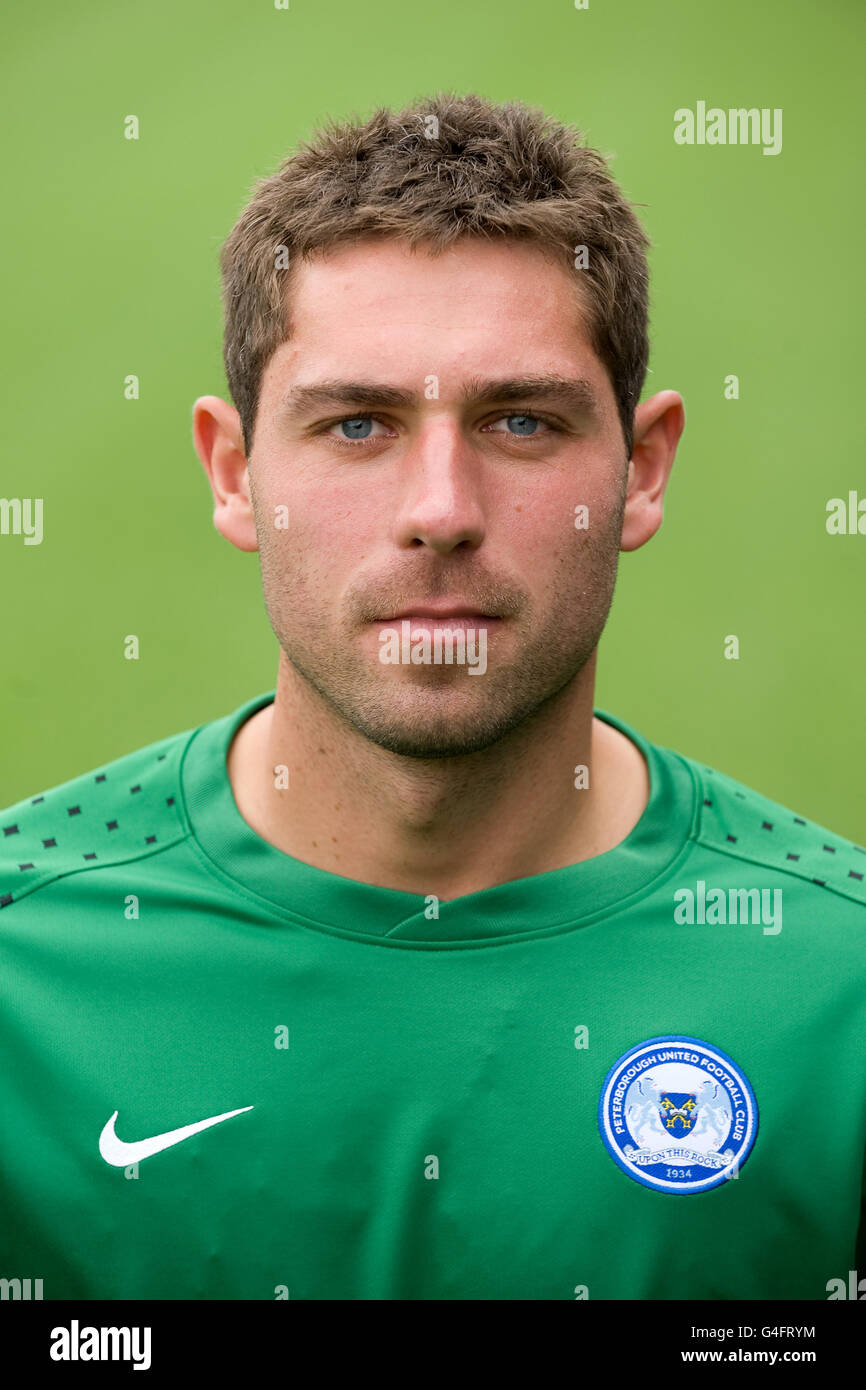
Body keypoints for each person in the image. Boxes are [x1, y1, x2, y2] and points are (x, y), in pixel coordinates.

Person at [1, 91, 863, 1302]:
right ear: (237, 473)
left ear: (640, 469)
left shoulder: (837, 991)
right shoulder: (20, 969)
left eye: (521, 420)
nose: (442, 510)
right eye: (357, 424)